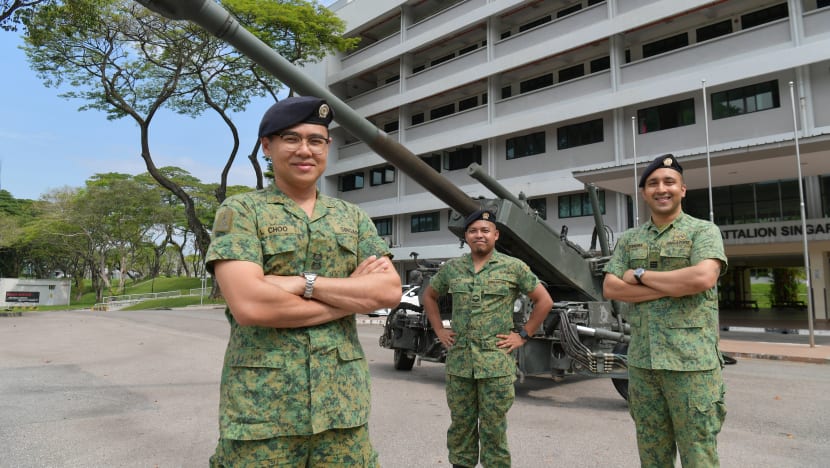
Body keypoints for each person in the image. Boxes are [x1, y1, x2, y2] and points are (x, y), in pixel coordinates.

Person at [205, 96, 402, 467]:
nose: (305, 150)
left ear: (327, 147)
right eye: (291, 139)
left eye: (316, 140)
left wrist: (300, 283)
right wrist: (349, 297)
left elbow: (388, 291)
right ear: (267, 146)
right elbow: (250, 305)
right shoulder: (242, 212)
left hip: (342, 410)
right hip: (262, 413)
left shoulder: (352, 218)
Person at [602, 154, 728, 467]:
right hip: (644, 365)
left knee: (698, 455)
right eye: (653, 183)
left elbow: (702, 278)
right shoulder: (630, 240)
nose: (662, 188)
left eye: (669, 182)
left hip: (692, 366)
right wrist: (674, 285)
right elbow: (611, 288)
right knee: (652, 456)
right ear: (643, 193)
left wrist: (642, 276)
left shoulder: (703, 232)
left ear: (683, 189)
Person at [422, 209, 553, 468]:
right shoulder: (453, 268)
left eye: (484, 230)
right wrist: (439, 329)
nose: (478, 235)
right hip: (460, 364)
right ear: (466, 236)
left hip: (496, 364)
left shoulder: (513, 267)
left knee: (494, 429)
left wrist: (523, 335)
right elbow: (429, 296)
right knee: (461, 426)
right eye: (473, 231)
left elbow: (544, 300)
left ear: (496, 235)